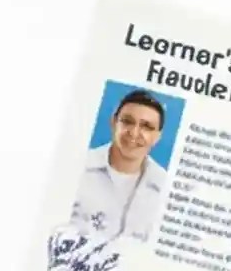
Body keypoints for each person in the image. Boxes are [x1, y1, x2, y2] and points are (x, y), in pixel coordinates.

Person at [70, 88, 168, 242]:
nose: (134, 133)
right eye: (127, 121)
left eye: (147, 127)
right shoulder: (78, 165)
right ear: (113, 123)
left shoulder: (164, 186)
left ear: (157, 137)